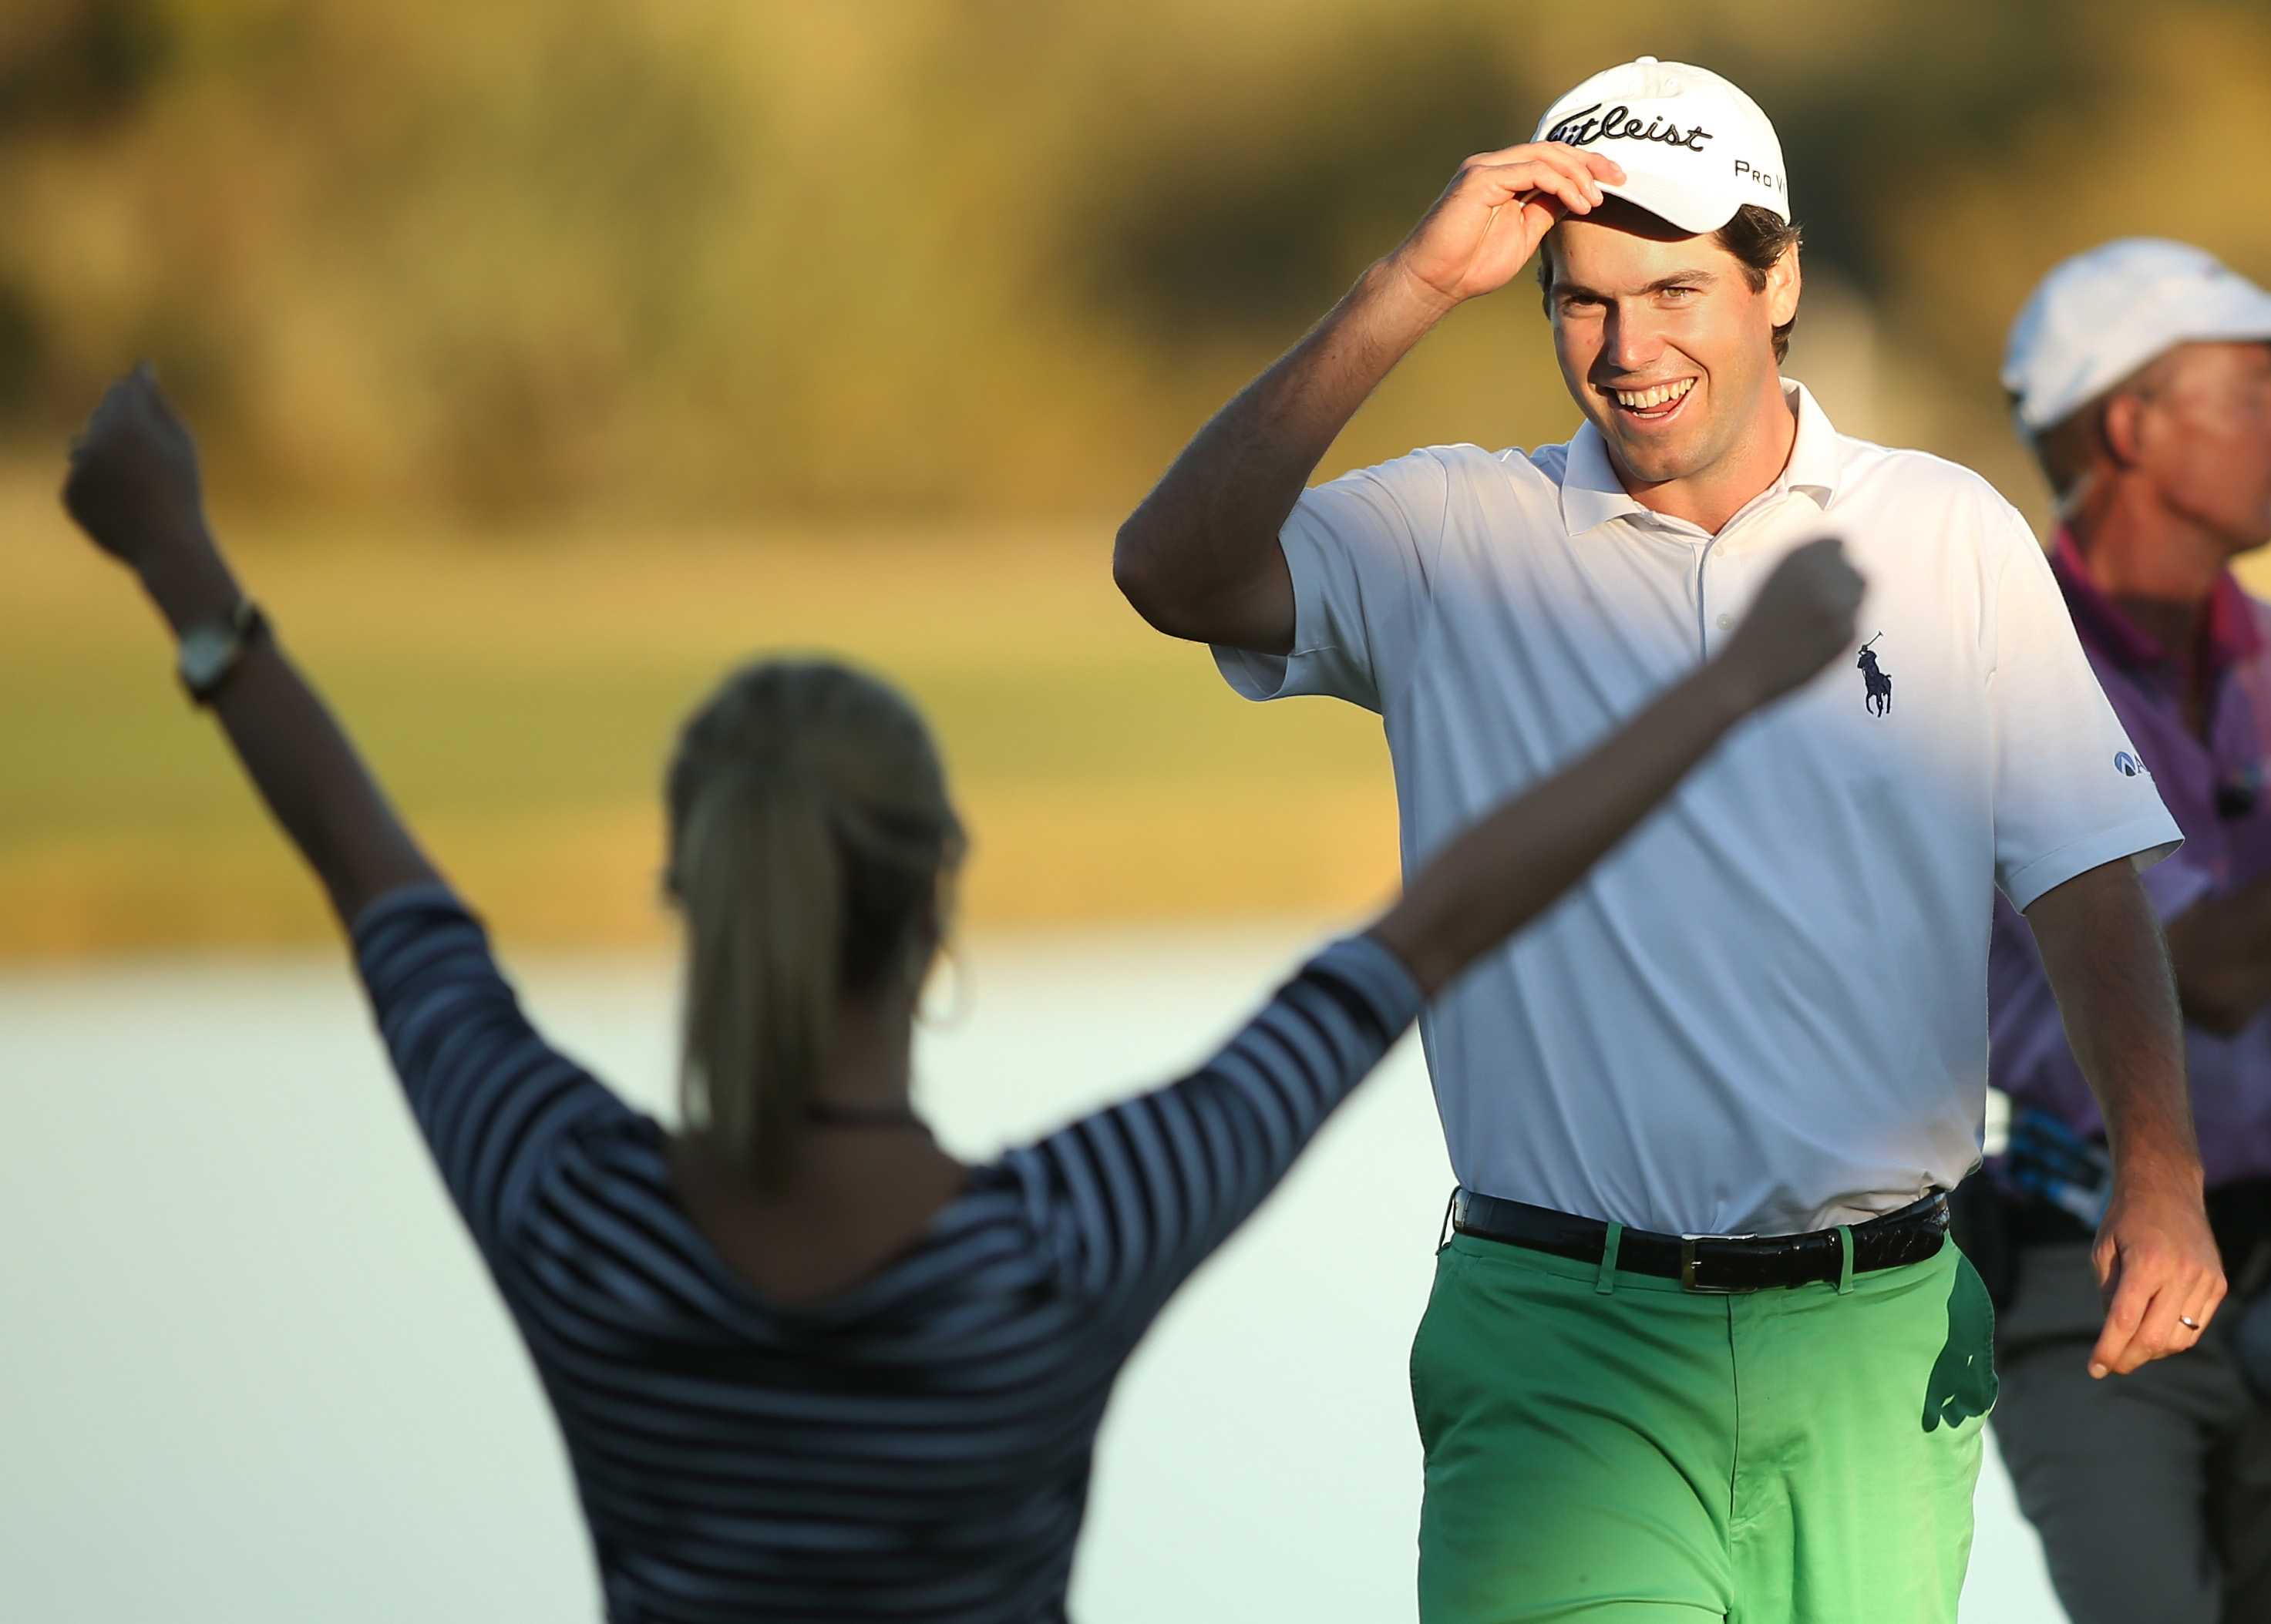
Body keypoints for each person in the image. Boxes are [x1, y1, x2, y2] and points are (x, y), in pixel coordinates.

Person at [58, 363, 1862, 1622]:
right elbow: (1433, 926)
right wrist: (1731, 681)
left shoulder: (572, 1211)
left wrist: (181, 563)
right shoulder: (1054, 1248)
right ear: (934, 904)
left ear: (693, 894)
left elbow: (379, 882)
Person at [1112, 54, 2223, 1622]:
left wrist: (2160, 1176)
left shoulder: (1945, 532)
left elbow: (2083, 884)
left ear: (1779, 283)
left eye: (1675, 290)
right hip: (1562, 1344)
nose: (1627, 350)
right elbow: (1169, 569)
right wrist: (1409, 284)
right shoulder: (1450, 537)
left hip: (1879, 1343)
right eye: (1581, 301)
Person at [1985, 238, 2271, 1624]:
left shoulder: (2260, 650)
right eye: (2253, 395)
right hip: (2084, 1264)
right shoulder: (1996, 662)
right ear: (2129, 426)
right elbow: (2198, 972)